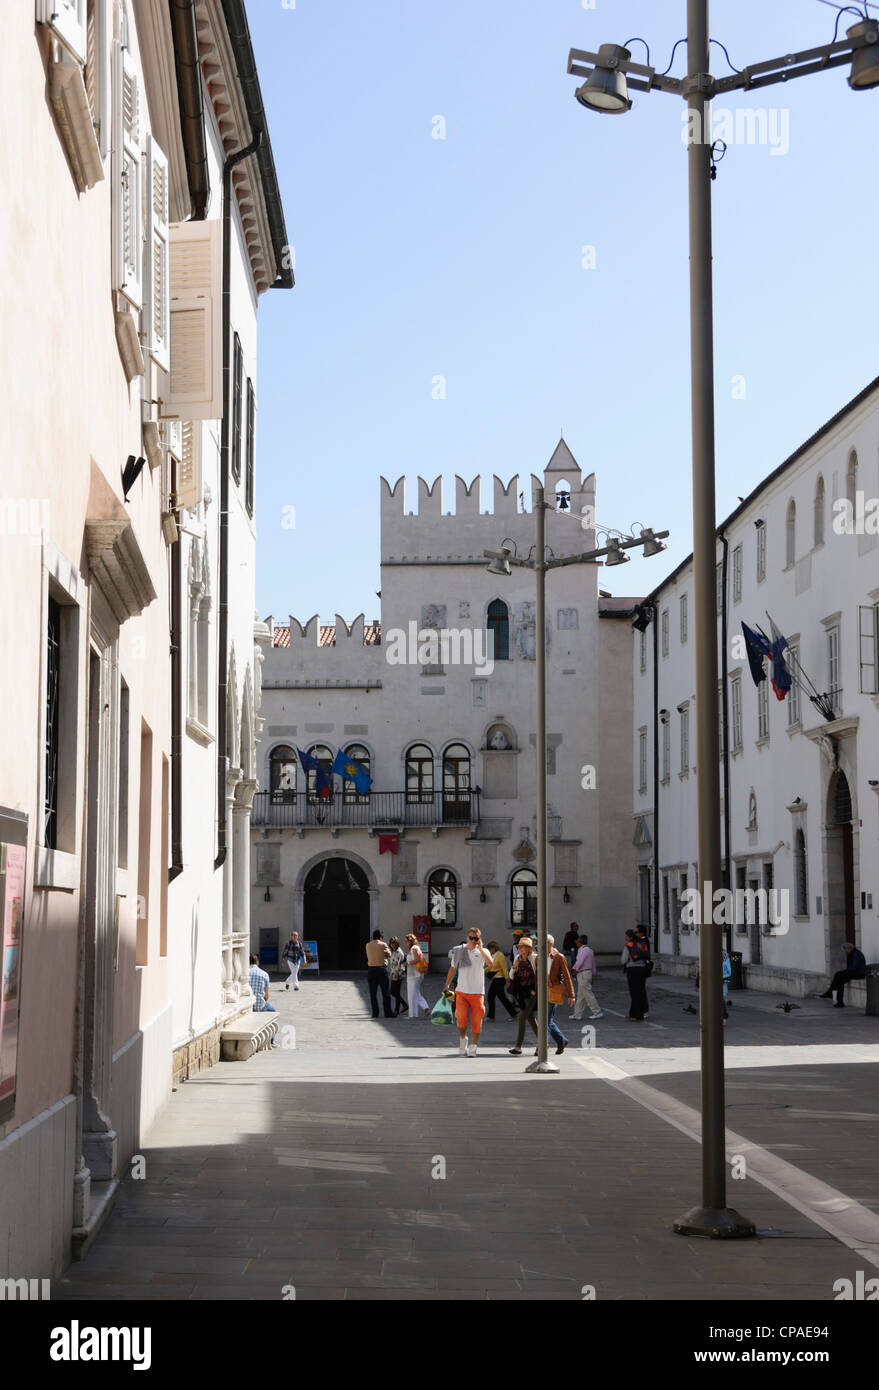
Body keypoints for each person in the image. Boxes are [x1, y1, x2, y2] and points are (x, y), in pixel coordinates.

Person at [445, 928, 494, 1055]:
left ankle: (473, 1045)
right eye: (471, 938)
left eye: (476, 938)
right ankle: (463, 1039)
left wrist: (482, 948)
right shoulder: (460, 951)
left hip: (477, 992)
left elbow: (491, 964)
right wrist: (447, 985)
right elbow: (452, 968)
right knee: (460, 1017)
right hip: (461, 990)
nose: (473, 940)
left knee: (477, 1020)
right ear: (467, 938)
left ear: (480, 939)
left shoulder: (484, 951)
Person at [507, 936, 539, 1055]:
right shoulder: (517, 958)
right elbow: (511, 976)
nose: (520, 949)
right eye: (519, 947)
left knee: (521, 1017)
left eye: (523, 947)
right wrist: (514, 966)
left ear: (529, 948)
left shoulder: (535, 958)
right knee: (530, 1018)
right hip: (521, 992)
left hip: (533, 992)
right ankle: (542, 1044)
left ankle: (518, 1046)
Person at [545, 935, 575, 1055]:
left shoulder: (559, 957)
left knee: (545, 1020)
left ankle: (542, 1046)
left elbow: (567, 977)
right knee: (547, 1020)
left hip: (554, 991)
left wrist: (571, 994)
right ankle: (561, 1040)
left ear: (550, 944)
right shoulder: (539, 957)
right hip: (543, 991)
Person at [820, 942, 867, 1007]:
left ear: (849, 948)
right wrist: (846, 970)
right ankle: (839, 1001)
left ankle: (830, 993)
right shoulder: (852, 953)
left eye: (845, 949)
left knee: (839, 976)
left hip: (859, 973)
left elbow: (855, 967)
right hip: (853, 973)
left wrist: (846, 970)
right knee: (839, 977)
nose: (845, 951)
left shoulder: (857, 954)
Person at [570, 933, 603, 1020]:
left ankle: (597, 1011)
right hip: (587, 973)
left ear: (579, 942)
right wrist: (593, 975)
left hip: (583, 973)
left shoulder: (583, 950)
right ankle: (577, 1014)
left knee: (587, 994)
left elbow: (579, 962)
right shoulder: (589, 950)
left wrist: (573, 969)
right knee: (581, 995)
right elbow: (593, 964)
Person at [621, 928, 650, 1021]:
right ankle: (633, 1013)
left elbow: (623, 960)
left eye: (626, 936)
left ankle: (638, 1015)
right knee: (641, 991)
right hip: (642, 970)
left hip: (632, 970)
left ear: (629, 937)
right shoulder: (642, 944)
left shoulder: (628, 946)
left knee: (634, 993)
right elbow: (647, 955)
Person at [485, 939, 517, 1020]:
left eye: (489, 949)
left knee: (491, 997)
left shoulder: (500, 955)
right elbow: (490, 967)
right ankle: (514, 1014)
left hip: (500, 979)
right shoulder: (492, 956)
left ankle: (491, 1016)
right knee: (501, 998)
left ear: (493, 948)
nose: (489, 951)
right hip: (495, 979)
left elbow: (504, 968)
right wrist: (481, 971)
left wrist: (507, 979)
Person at [364, 930, 394, 1019]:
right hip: (381, 970)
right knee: (386, 993)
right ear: (380, 937)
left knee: (373, 993)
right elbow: (389, 954)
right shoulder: (383, 944)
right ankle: (387, 1012)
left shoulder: (367, 945)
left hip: (371, 971)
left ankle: (375, 1013)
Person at [405, 933, 431, 1018]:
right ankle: (414, 1014)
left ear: (410, 941)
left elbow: (417, 959)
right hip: (414, 975)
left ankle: (424, 1008)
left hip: (414, 975)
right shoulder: (415, 948)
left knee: (413, 995)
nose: (405, 943)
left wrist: (407, 963)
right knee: (413, 995)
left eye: (406, 941)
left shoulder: (414, 948)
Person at [388, 937, 408, 1016]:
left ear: (397, 943)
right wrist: (391, 973)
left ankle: (405, 1005)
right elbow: (392, 965)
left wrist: (392, 975)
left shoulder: (399, 952)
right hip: (394, 973)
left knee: (393, 992)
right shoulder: (393, 951)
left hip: (398, 974)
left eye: (394, 943)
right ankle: (396, 1011)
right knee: (396, 993)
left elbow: (397, 966)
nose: (392, 944)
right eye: (391, 943)